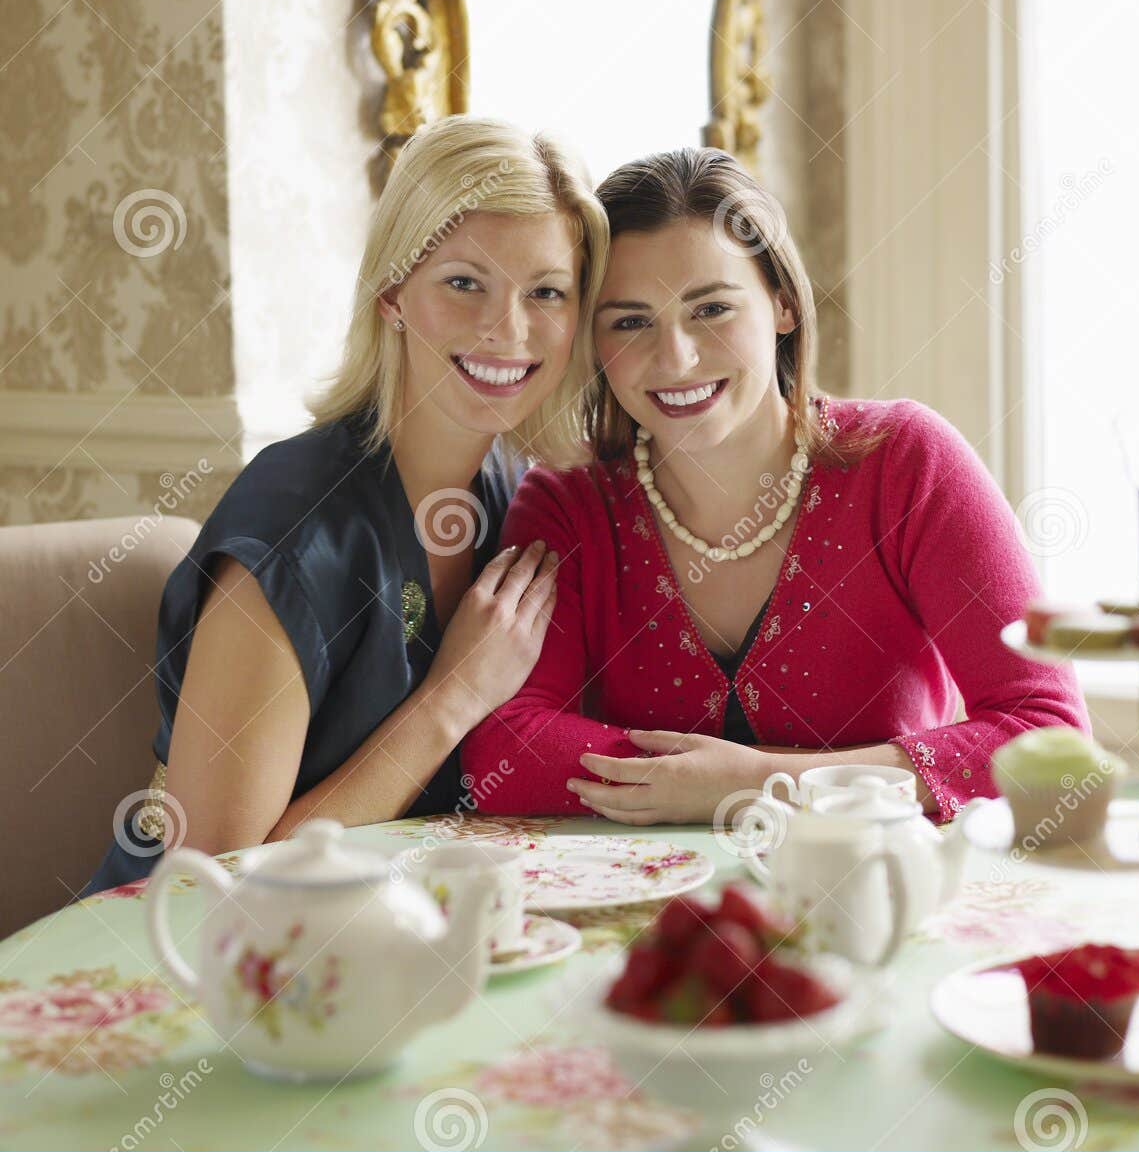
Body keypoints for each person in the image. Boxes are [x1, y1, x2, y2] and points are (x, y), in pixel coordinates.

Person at [461, 147, 1088, 822]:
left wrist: (764, 782)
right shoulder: (566, 503)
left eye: (711, 309)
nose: (675, 357)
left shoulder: (906, 464)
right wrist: (703, 783)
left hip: (878, 883)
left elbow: (1049, 741)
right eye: (631, 321)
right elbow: (503, 752)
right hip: (647, 893)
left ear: (783, 304)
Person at [83, 117, 607, 891]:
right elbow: (217, 876)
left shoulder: (516, 494)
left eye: (546, 292)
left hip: (395, 930)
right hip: (193, 944)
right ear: (393, 293)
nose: (508, 328)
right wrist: (455, 694)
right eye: (464, 283)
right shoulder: (295, 527)